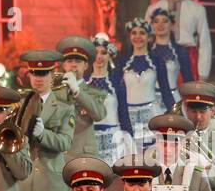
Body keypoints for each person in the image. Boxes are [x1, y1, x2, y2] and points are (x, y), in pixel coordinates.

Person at [17, 49, 77, 191]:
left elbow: (65, 142)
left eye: (43, 73)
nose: (38, 78)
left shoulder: (65, 107)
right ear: (29, 75)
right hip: (24, 182)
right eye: (34, 73)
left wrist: (43, 135)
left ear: (52, 74)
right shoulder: (20, 105)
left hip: (50, 184)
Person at [111, 17, 174, 152]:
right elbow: (116, 93)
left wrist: (177, 119)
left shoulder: (157, 61)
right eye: (134, 33)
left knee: (154, 159)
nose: (138, 37)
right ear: (129, 36)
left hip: (152, 115)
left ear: (149, 36)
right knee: (132, 159)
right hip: (128, 117)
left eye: (142, 33)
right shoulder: (122, 62)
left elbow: (166, 93)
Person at [146, 0, 212, 79]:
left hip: (188, 58)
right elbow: (147, 39)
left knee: (187, 95)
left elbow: (205, 42)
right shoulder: (154, 8)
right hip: (160, 58)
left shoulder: (197, 9)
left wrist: (203, 73)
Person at [54, 36, 110, 158]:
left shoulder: (95, 92)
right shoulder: (55, 91)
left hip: (83, 156)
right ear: (63, 65)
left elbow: (99, 114)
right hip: (58, 155)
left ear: (85, 66)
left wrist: (77, 91)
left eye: (78, 62)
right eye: (69, 61)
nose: (73, 65)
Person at [86, 34, 122, 164]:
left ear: (109, 56)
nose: (99, 57)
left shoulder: (117, 82)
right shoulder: (83, 83)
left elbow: (124, 114)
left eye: (103, 53)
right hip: (89, 141)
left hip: (113, 141)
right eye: (95, 53)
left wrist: (130, 140)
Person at [148, 7, 195, 90]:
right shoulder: (147, 50)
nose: (160, 25)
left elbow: (189, 81)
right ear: (152, 25)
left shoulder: (180, 51)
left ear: (172, 25)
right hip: (150, 100)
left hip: (173, 99)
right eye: (156, 21)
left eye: (165, 21)